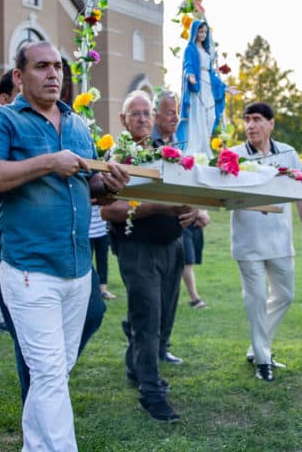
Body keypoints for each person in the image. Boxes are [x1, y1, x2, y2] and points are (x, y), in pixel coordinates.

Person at [0, 41, 127, 450]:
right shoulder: (2, 121)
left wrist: (106, 187)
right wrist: (49, 162)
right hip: (27, 269)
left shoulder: (77, 123)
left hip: (76, 267)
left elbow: (87, 185)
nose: (54, 74)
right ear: (19, 77)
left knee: (52, 373)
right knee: (51, 374)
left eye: (58, 66)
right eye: (42, 66)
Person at [100, 91, 209, 423]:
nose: (144, 119)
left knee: (162, 320)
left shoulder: (165, 153)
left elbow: (186, 194)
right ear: (123, 120)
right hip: (138, 249)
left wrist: (196, 210)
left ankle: (137, 365)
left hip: (172, 246)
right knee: (148, 320)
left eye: (147, 113)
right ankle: (152, 393)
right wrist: (160, 207)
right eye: (136, 114)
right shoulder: (116, 156)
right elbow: (108, 210)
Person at [229, 102, 302, 382]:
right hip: (247, 240)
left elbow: (301, 192)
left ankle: (257, 347)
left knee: (285, 295)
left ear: (271, 123)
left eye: (257, 119)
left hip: (280, 239)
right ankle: (262, 359)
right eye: (247, 120)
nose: (251, 125)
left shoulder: (289, 154)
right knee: (255, 299)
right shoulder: (234, 156)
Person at [155, 89, 206, 314]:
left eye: (176, 112)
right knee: (150, 295)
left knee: (170, 293)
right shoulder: (147, 144)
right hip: (153, 229)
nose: (175, 117)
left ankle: (162, 345)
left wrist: (198, 207)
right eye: (169, 113)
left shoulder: (182, 145)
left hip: (179, 224)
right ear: (156, 115)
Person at [177, 21, 225, 154]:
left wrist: (224, 87)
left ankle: (205, 146)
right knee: (199, 116)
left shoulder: (206, 50)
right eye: (200, 31)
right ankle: (199, 149)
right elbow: (188, 65)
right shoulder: (190, 49)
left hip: (208, 83)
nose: (203, 34)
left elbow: (211, 72)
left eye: (205, 32)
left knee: (211, 116)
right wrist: (190, 75)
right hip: (197, 85)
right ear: (195, 32)